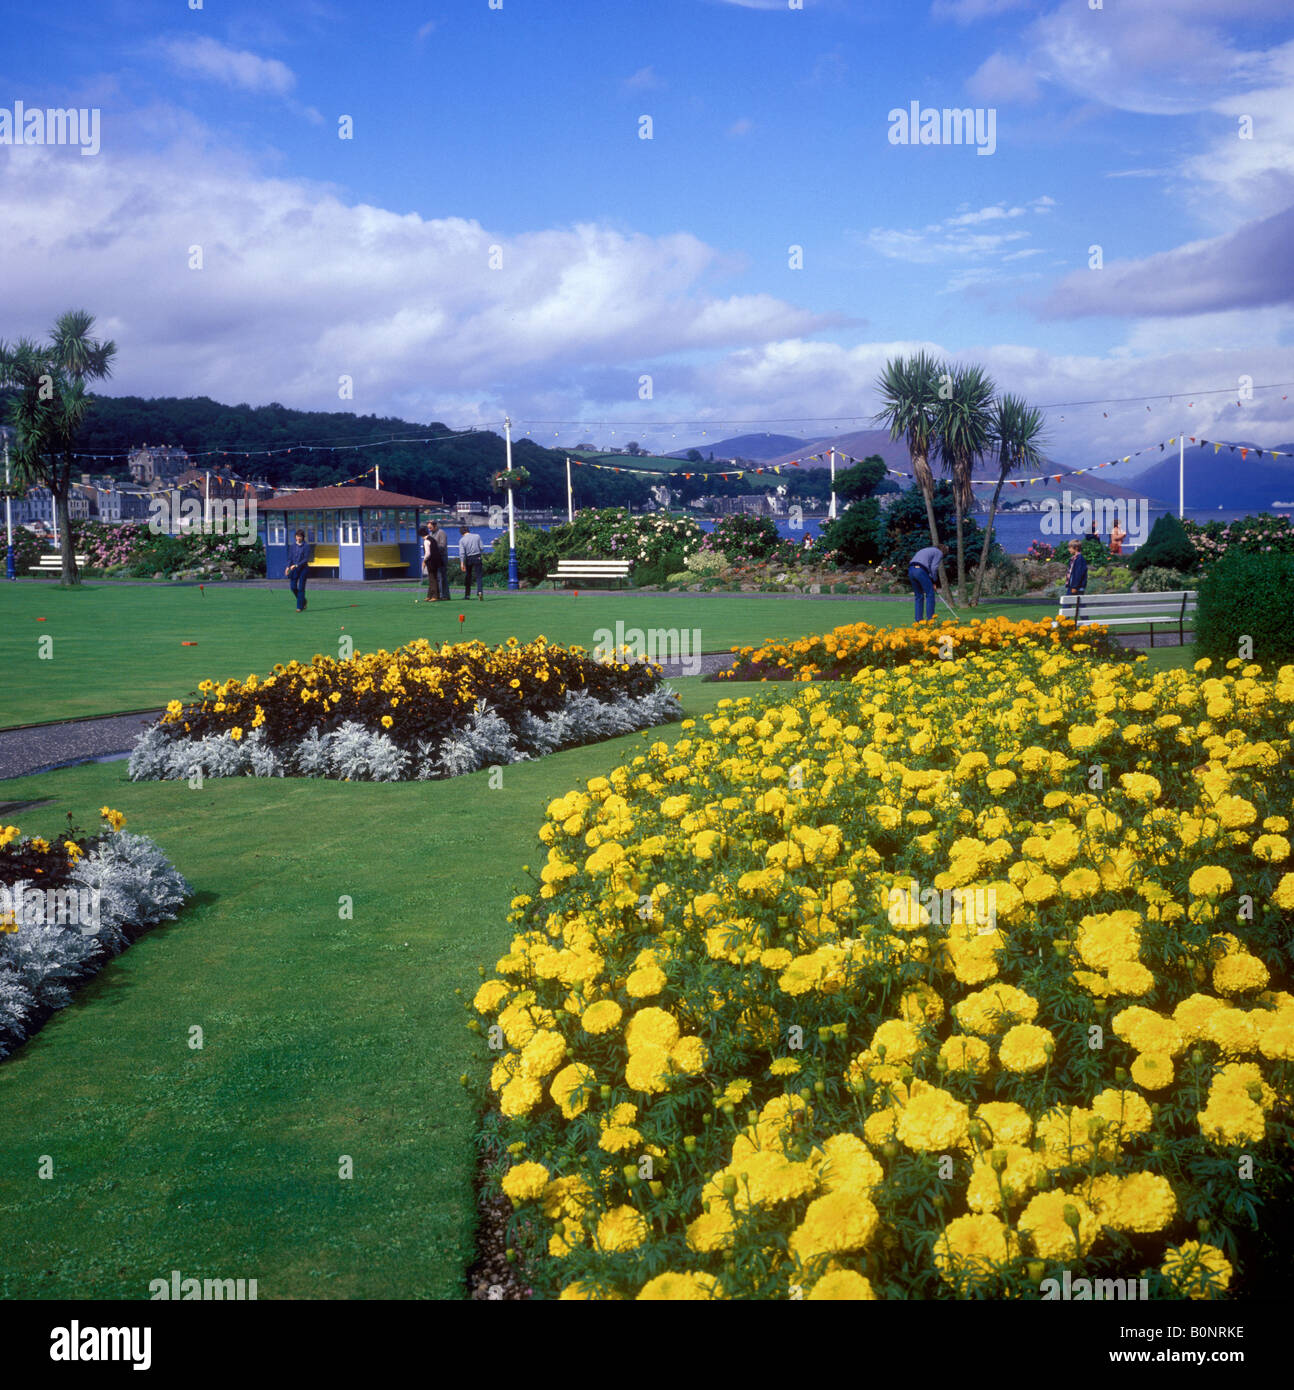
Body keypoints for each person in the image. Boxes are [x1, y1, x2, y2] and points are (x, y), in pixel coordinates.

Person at [908, 542, 948, 622]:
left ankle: (919, 621)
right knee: (930, 594)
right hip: (920, 570)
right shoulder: (939, 553)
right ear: (943, 551)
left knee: (919, 596)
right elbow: (933, 568)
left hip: (911, 570)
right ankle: (931, 620)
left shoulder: (927, 549)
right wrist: (934, 581)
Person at [285, 528, 311, 612]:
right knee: (293, 587)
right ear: (295, 537)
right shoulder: (292, 546)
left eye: (300, 536)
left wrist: (296, 565)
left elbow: (305, 559)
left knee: (301, 588)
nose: (298, 538)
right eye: (297, 536)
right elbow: (290, 558)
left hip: (303, 569)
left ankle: (299, 607)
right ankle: (303, 600)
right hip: (294, 569)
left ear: (303, 537)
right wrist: (287, 567)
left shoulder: (306, 546)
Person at [459, 523, 484, 601]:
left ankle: (467, 595)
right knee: (479, 576)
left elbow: (462, 553)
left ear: (461, 533)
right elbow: (482, 548)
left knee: (468, 577)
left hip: (469, 558)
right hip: (477, 557)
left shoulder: (462, 540)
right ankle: (480, 592)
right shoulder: (477, 536)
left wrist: (462, 563)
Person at [429, 518, 450, 600]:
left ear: (435, 526)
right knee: (437, 577)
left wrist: (433, 547)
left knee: (442, 577)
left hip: (442, 558)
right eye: (429, 528)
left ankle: (444, 595)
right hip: (434, 558)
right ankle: (438, 594)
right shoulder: (431, 534)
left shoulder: (441, 533)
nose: (429, 529)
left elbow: (442, 546)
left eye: (430, 527)